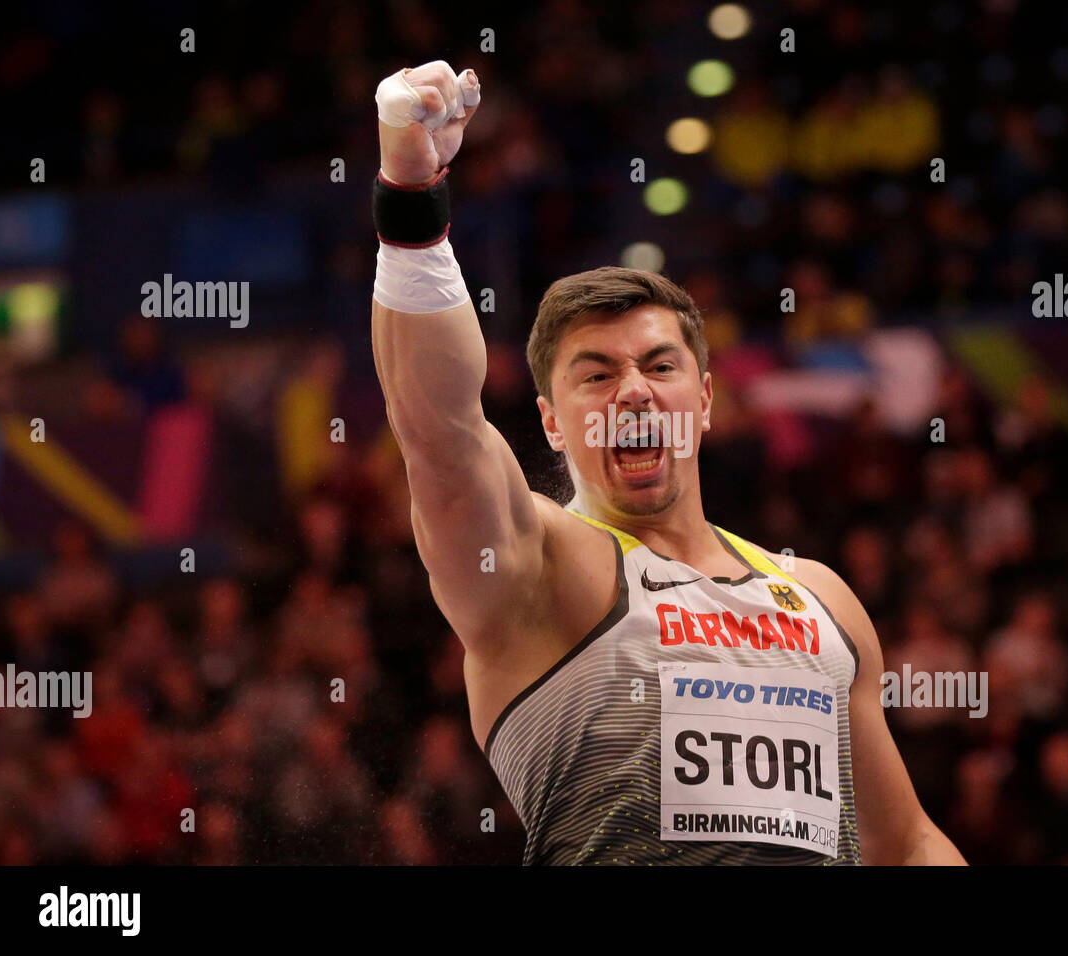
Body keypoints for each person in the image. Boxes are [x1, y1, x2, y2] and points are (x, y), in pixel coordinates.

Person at [369, 60, 966, 865]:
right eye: (597, 374)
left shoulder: (823, 601)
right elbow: (438, 431)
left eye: (659, 366)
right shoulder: (542, 570)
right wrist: (412, 200)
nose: (634, 394)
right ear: (550, 422)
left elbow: (908, 843)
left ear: (708, 399)